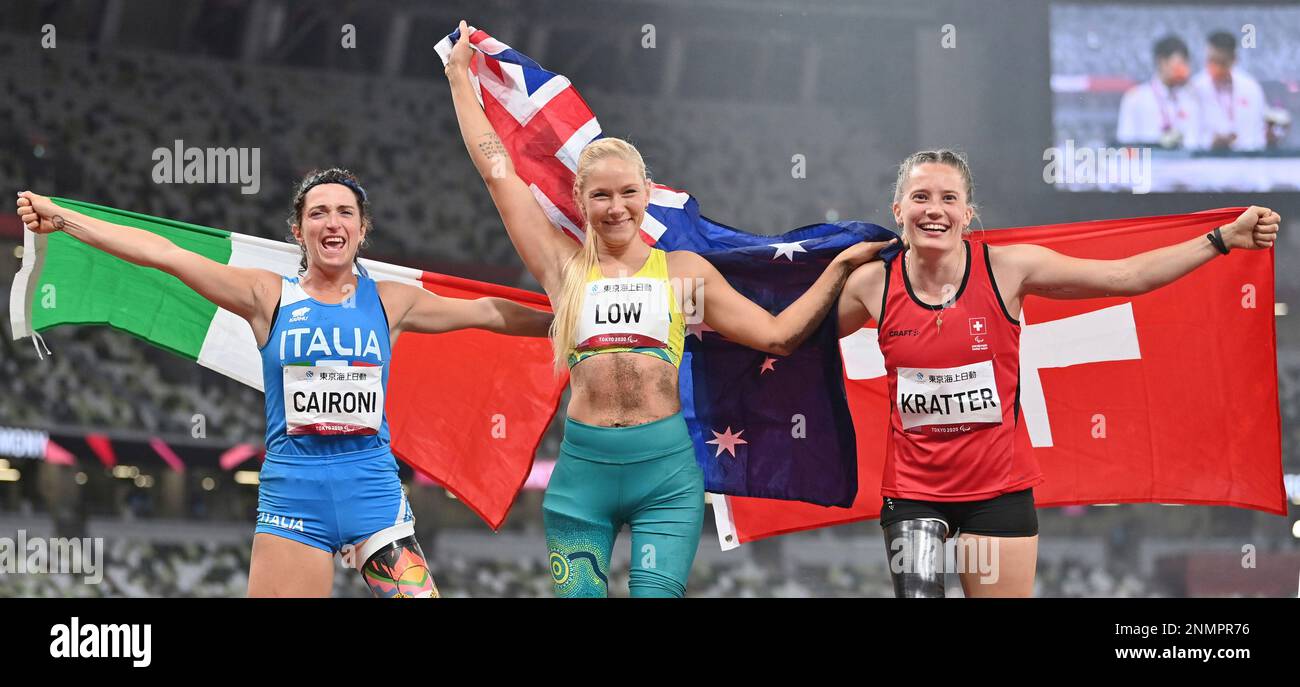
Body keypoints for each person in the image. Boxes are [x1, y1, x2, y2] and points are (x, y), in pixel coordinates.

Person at [444, 21, 893, 597]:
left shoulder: (683, 273)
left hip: (666, 480)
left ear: (647, 193)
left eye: (628, 192)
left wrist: (835, 269)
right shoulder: (563, 268)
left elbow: (778, 337)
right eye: (600, 195)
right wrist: (460, 77)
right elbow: (497, 169)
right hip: (583, 478)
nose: (615, 207)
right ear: (579, 200)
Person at [15, 168, 555, 597]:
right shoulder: (267, 296)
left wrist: (571, 318)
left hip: (372, 496)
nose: (332, 222)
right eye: (317, 213)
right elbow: (167, 255)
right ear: (298, 231)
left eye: (345, 212)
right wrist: (64, 220)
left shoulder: (391, 301)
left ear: (363, 229)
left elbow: (487, 312)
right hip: (295, 500)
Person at [836, 149, 1279, 597]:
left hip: (998, 492)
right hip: (914, 493)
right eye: (921, 196)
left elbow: (1126, 275)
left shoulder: (1007, 269)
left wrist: (1221, 239)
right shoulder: (873, 283)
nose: (934, 209)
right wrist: (831, 268)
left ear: (967, 214)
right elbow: (794, 339)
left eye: (949, 198)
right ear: (898, 210)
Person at [1117, 35, 1201, 149]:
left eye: (1185, 64)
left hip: (1184, 164)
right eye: (1178, 64)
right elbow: (1126, 141)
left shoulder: (1191, 97)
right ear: (1161, 62)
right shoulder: (1136, 97)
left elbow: (1195, 140)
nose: (1183, 70)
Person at [1190, 30, 1269, 151]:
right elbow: (1188, 132)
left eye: (1221, 62)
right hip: (1206, 162)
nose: (1215, 67)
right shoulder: (1194, 87)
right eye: (1211, 60)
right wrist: (1210, 141)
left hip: (1246, 161)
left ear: (1233, 60)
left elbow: (1260, 129)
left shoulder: (1251, 88)